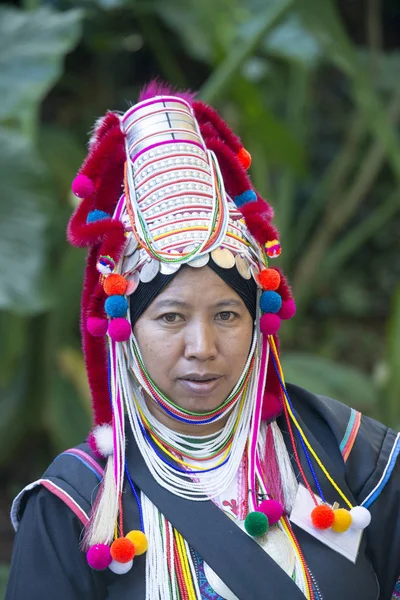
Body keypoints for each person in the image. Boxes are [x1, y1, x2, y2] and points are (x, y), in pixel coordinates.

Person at [5, 82, 400, 600]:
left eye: (227, 314)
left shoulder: (341, 450)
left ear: (260, 321)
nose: (202, 346)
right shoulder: (79, 502)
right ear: (126, 330)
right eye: (170, 317)